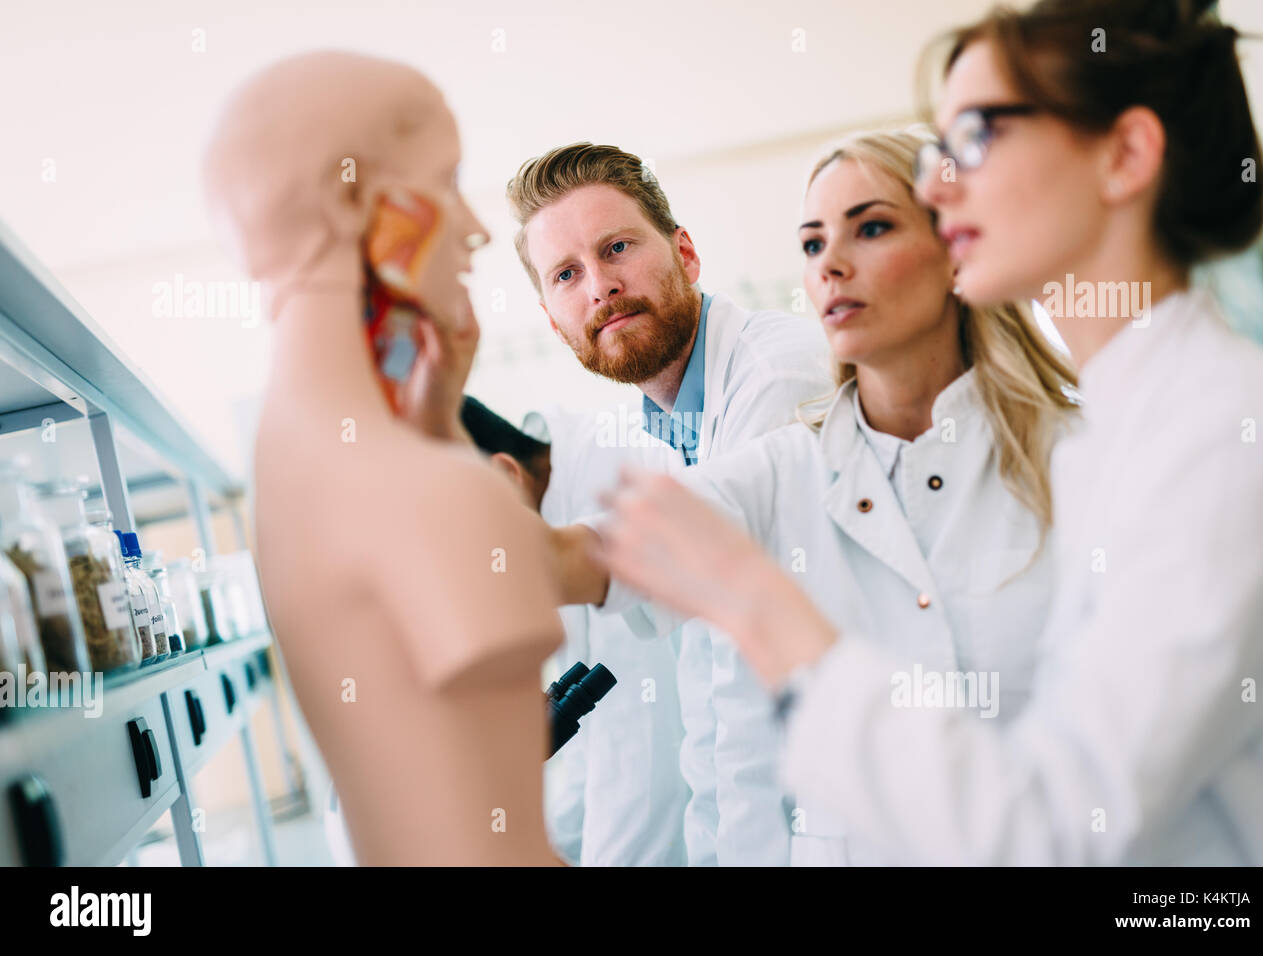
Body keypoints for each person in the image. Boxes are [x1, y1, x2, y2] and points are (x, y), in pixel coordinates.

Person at [591, 0, 1263, 864]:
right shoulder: (1124, 429)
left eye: (979, 136)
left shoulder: (1222, 433)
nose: (936, 186)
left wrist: (762, 604)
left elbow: (1054, 831)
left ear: (1124, 155)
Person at [556, 127, 1078, 864]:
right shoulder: (789, 463)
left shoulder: (1085, 460)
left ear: (957, 246)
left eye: (871, 228)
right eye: (811, 243)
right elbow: (611, 550)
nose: (830, 263)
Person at [203, 51, 564, 865]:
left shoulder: (290, 466)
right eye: (448, 178)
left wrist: (437, 420)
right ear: (352, 199)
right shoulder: (435, 495)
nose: (474, 228)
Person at [508, 143, 832, 864]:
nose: (600, 287)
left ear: (684, 253)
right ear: (554, 317)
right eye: (567, 274)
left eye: (617, 247)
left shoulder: (772, 380)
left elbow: (752, 693)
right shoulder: (666, 423)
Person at [459, 396, 690, 866]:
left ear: (505, 479)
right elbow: (591, 760)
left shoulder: (610, 480)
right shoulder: (542, 496)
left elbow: (643, 776)